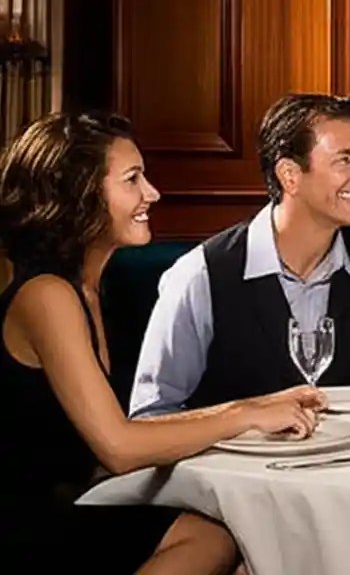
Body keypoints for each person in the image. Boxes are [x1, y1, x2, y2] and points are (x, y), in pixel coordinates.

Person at [0, 111, 325, 573]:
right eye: (132, 179)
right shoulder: (47, 295)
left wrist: (258, 406)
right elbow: (118, 446)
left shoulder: (96, 288)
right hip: (27, 525)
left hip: (74, 503)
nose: (152, 193)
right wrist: (244, 415)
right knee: (214, 540)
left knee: (238, 538)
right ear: (78, 195)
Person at [129, 94, 350, 417]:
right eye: (345, 160)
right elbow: (151, 415)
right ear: (289, 175)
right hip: (230, 468)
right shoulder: (202, 275)